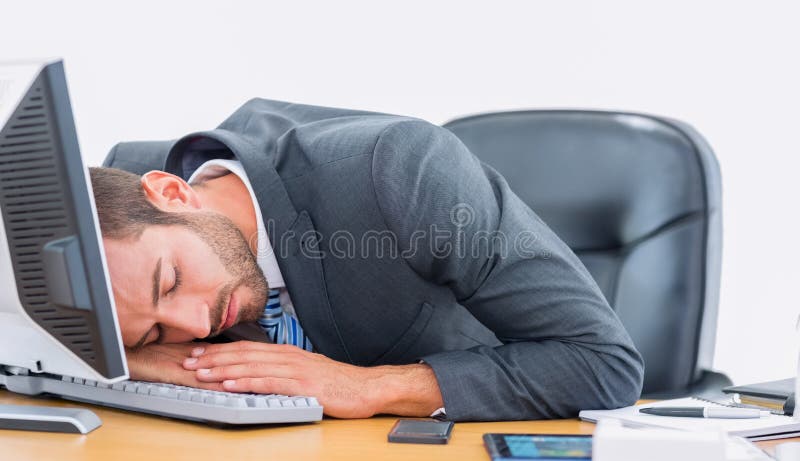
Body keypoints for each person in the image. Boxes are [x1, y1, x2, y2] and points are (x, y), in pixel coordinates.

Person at [90, 98, 644, 422]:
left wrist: (372, 386)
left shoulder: (401, 171)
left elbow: (604, 365)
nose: (194, 326)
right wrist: (135, 360)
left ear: (173, 192)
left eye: (171, 282)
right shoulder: (111, 213)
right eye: (155, 332)